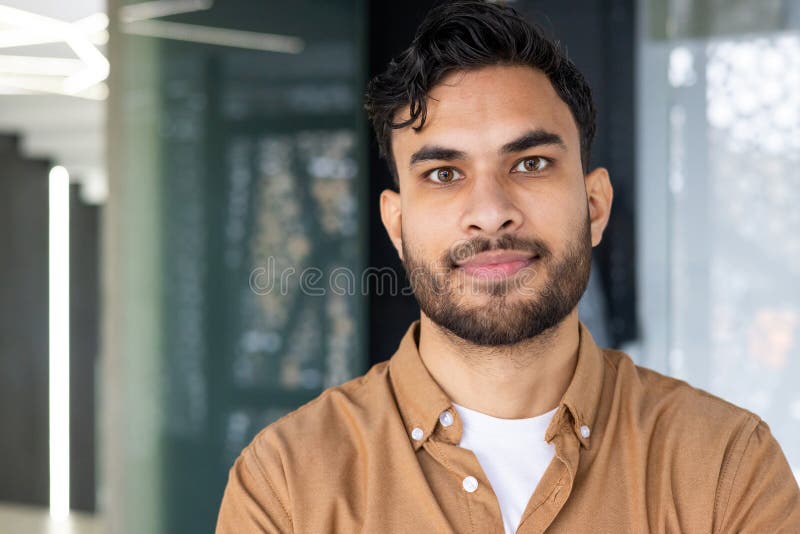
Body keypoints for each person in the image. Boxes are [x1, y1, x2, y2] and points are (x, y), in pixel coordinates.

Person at [216, 1, 800, 532]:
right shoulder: (286, 486)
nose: (491, 213)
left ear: (594, 206)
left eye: (531, 163)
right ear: (396, 226)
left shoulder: (728, 467)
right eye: (444, 173)